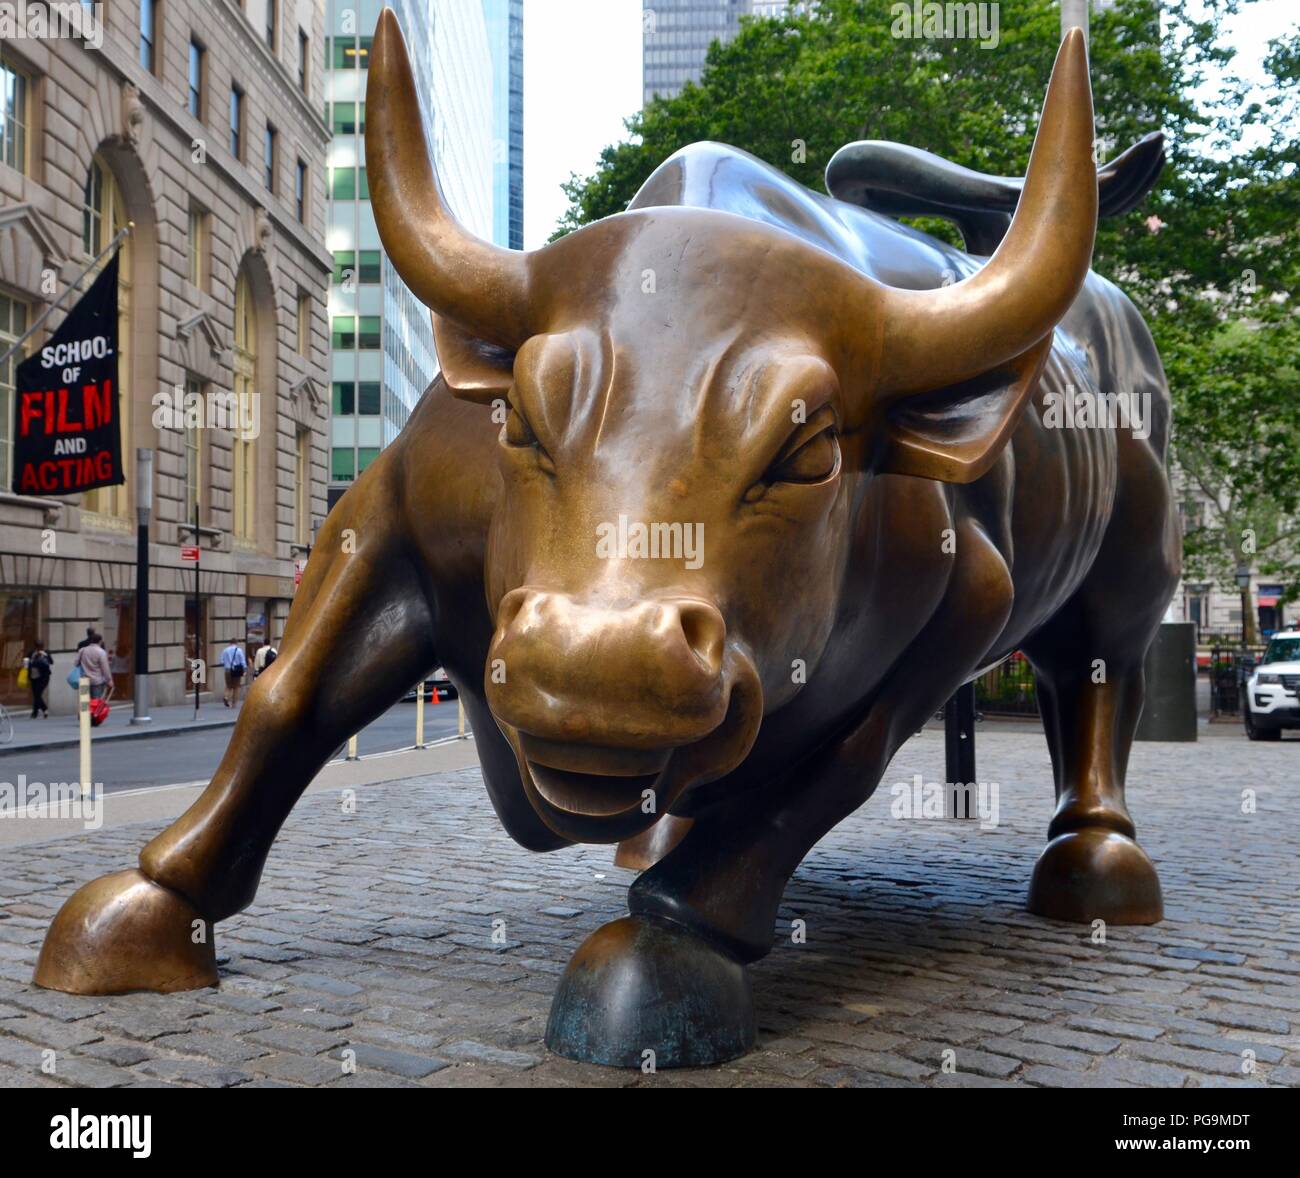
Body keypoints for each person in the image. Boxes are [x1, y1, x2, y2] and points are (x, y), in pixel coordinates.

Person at [77, 632, 113, 701]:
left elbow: (76, 663)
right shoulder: (101, 652)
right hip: (97, 681)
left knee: (85, 703)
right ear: (100, 641)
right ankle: (94, 712)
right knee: (96, 702)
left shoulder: (82, 650)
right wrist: (109, 680)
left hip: (84, 679)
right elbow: (105, 668)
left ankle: (87, 712)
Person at [26, 640, 53, 718]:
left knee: (37, 694)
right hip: (33, 677)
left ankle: (35, 713)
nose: (39, 648)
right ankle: (44, 710)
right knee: (36, 695)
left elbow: (51, 662)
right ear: (35, 647)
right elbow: (27, 662)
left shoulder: (46, 653)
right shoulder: (31, 653)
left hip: (43, 677)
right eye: (38, 647)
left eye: (40, 647)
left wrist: (45, 655)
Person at [220, 640, 248, 706]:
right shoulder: (239, 650)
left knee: (228, 685)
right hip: (237, 670)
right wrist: (244, 670)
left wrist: (227, 665)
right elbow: (242, 661)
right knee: (236, 687)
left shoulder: (225, 650)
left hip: (228, 670)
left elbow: (221, 661)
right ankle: (234, 703)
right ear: (236, 643)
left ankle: (226, 697)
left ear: (230, 643)